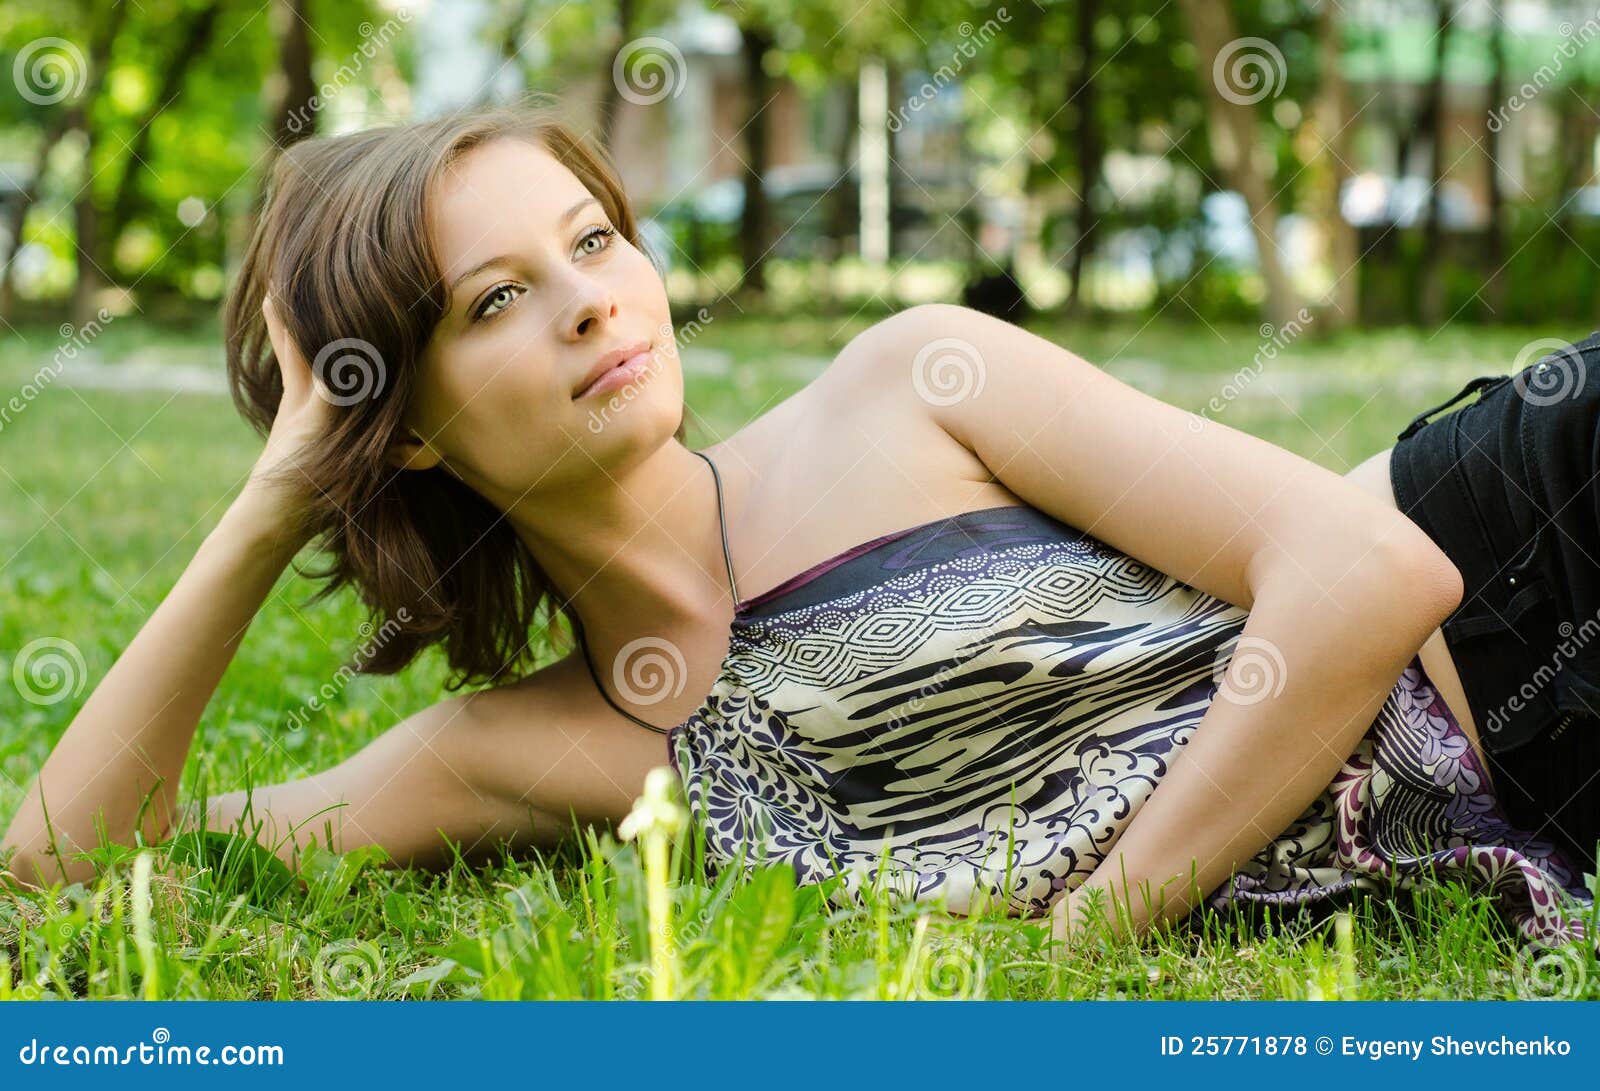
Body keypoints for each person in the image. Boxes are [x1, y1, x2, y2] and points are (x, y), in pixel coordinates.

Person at [1, 102, 1590, 949]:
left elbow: (1364, 565)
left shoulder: (905, 382)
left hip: (1529, 551)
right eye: (498, 298)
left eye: (595, 237)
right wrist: (279, 496)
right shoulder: (530, 750)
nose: (592, 302)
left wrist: (1100, 924)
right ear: (395, 417)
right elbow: (68, 868)